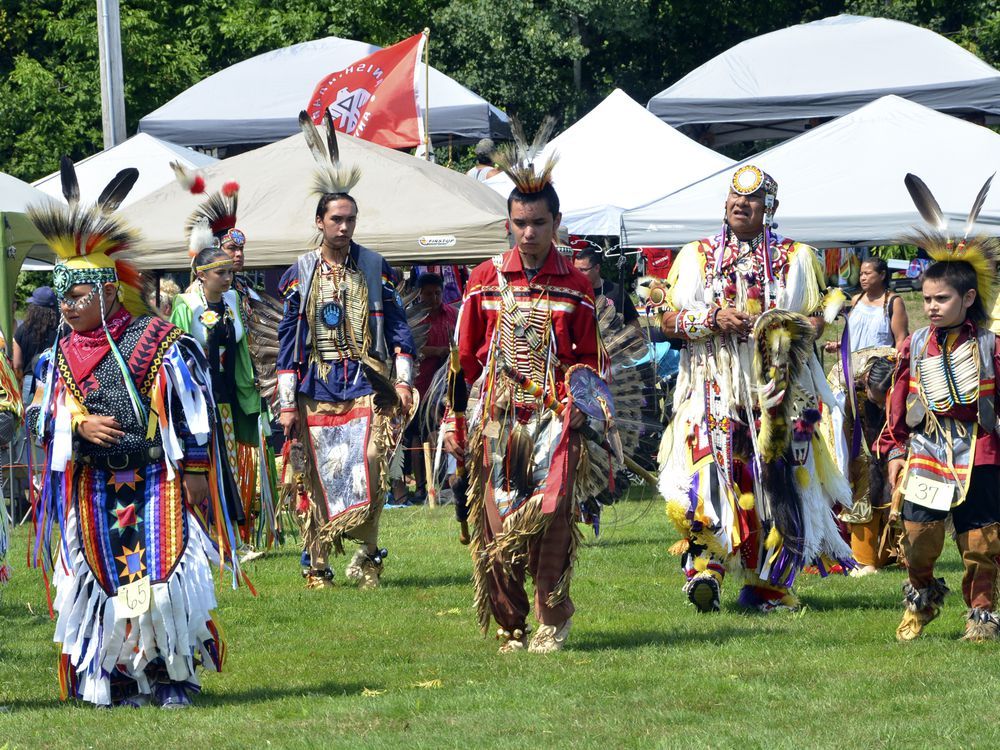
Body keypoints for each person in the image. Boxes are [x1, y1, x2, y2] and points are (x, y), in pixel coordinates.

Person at [24, 159, 234, 708]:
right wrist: (76, 421)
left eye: (78, 297)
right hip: (92, 486)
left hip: (152, 478)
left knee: (161, 575)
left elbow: (194, 413)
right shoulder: (57, 357)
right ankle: (118, 678)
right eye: (63, 298)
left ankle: (169, 675)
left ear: (110, 292)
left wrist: (193, 473)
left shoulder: (154, 338)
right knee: (102, 578)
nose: (68, 309)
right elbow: (35, 415)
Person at [444, 119, 611, 654]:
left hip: (554, 420)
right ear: (509, 223)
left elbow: (589, 358)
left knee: (552, 513)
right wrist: (457, 418)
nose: (529, 233)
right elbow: (462, 358)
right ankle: (511, 624)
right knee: (495, 519)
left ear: (557, 222)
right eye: (520, 223)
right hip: (497, 419)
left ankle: (551, 620)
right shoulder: (484, 280)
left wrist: (582, 407)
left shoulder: (576, 285)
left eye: (539, 223)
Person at [656, 164, 853, 613]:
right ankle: (706, 569)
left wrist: (785, 326)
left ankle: (768, 588)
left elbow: (820, 316)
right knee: (710, 475)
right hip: (712, 387)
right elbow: (665, 319)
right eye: (733, 197)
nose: (739, 204)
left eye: (752, 200)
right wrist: (709, 319)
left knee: (782, 486)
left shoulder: (797, 256)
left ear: (770, 208)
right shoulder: (696, 256)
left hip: (780, 389)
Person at [276, 112, 416, 590]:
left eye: (351, 219)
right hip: (316, 384)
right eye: (337, 219)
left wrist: (402, 380)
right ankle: (317, 565)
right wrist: (285, 404)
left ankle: (369, 555)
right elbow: (287, 341)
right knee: (316, 474)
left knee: (371, 466)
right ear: (320, 221)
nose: (345, 226)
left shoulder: (374, 267)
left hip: (365, 383)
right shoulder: (301, 271)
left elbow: (399, 330)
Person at [880, 173, 1000, 642]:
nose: (930, 307)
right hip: (928, 448)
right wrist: (892, 451)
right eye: (926, 299)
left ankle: (982, 616)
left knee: (981, 539)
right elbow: (898, 401)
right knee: (918, 538)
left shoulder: (991, 346)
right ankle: (923, 594)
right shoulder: (915, 345)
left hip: (983, 450)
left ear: (968, 298)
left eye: (941, 299)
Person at [170, 244, 278, 550]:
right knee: (203, 466)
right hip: (197, 404)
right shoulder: (187, 305)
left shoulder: (232, 300)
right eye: (221, 272)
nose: (228, 278)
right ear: (201, 276)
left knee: (227, 464)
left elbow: (243, 348)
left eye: (230, 271)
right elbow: (176, 355)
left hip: (229, 398)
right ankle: (201, 538)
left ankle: (229, 537)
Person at [827, 349, 899, 576]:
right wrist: (844, 462)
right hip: (850, 420)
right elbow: (837, 429)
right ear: (866, 383)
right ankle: (863, 559)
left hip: (895, 420)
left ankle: (895, 551)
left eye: (883, 402)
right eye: (876, 400)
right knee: (865, 479)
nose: (880, 406)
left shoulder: (902, 368)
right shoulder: (843, 377)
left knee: (895, 481)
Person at [824, 257, 908, 354]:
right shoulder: (856, 301)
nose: (863, 278)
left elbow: (901, 340)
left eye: (867, 273)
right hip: (853, 366)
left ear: (882, 275)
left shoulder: (894, 303)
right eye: (861, 274)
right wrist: (839, 344)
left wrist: (894, 365)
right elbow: (857, 335)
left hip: (880, 367)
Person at [13, 286, 60, 400]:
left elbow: (17, 364)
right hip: (55, 379)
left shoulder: (23, 330)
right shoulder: (62, 328)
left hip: (29, 381)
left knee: (28, 415)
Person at [573, 247, 640, 327]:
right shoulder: (572, 292)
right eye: (575, 270)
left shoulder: (616, 291)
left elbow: (633, 324)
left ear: (597, 268)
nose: (578, 274)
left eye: (583, 270)